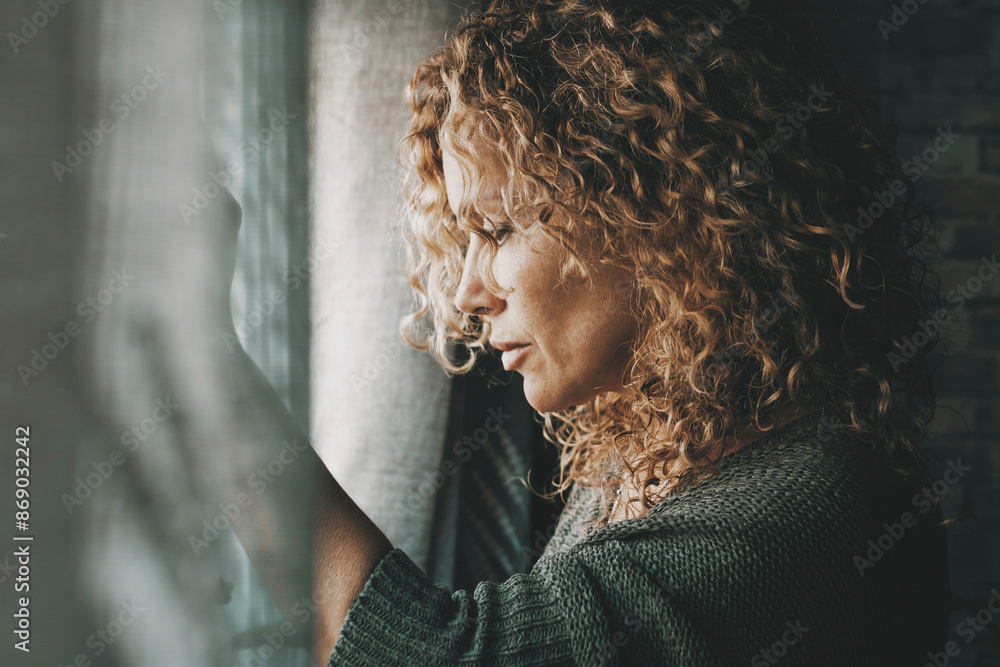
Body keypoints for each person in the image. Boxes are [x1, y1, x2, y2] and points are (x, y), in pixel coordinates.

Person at [224, 0, 953, 664]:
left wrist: (211, 365)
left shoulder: (802, 517)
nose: (469, 293)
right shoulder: (649, 449)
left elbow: (426, 656)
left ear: (656, 214)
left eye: (500, 227)